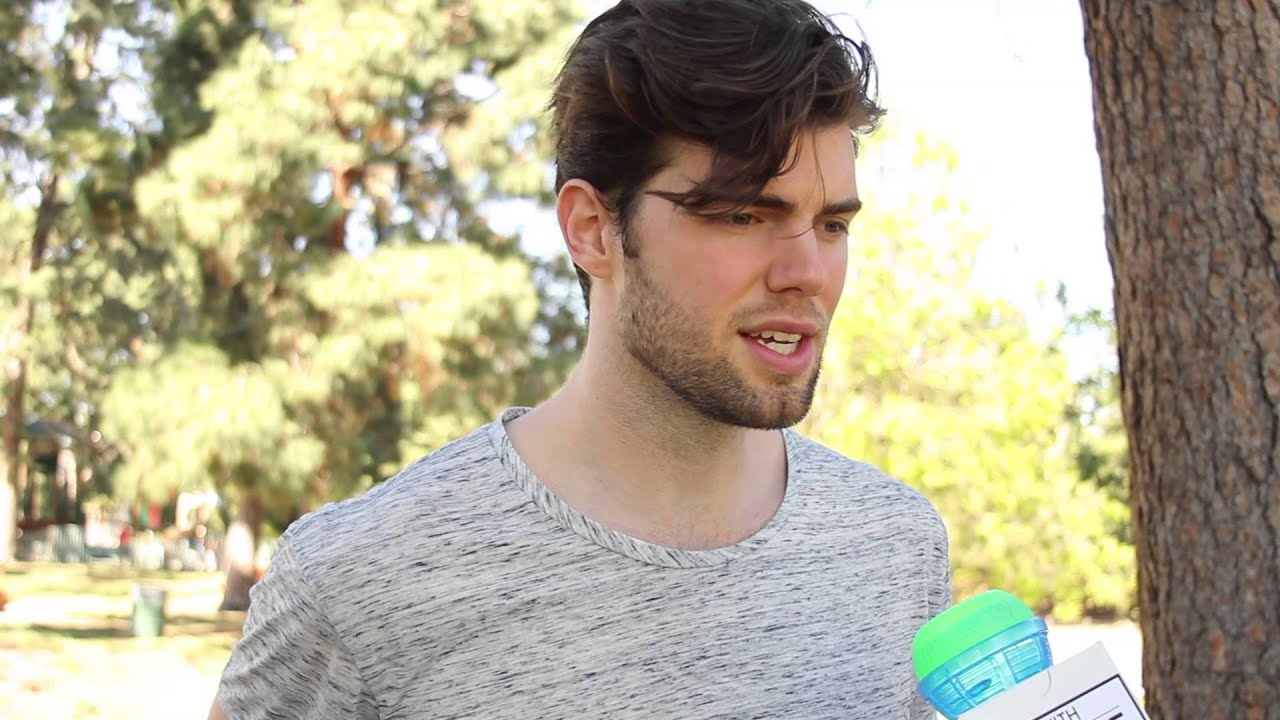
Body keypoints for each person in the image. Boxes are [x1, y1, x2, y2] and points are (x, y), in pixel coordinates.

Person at [209, 0, 951, 718]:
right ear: (594, 229)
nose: (808, 273)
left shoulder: (895, 545)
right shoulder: (360, 581)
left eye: (831, 225)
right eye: (743, 214)